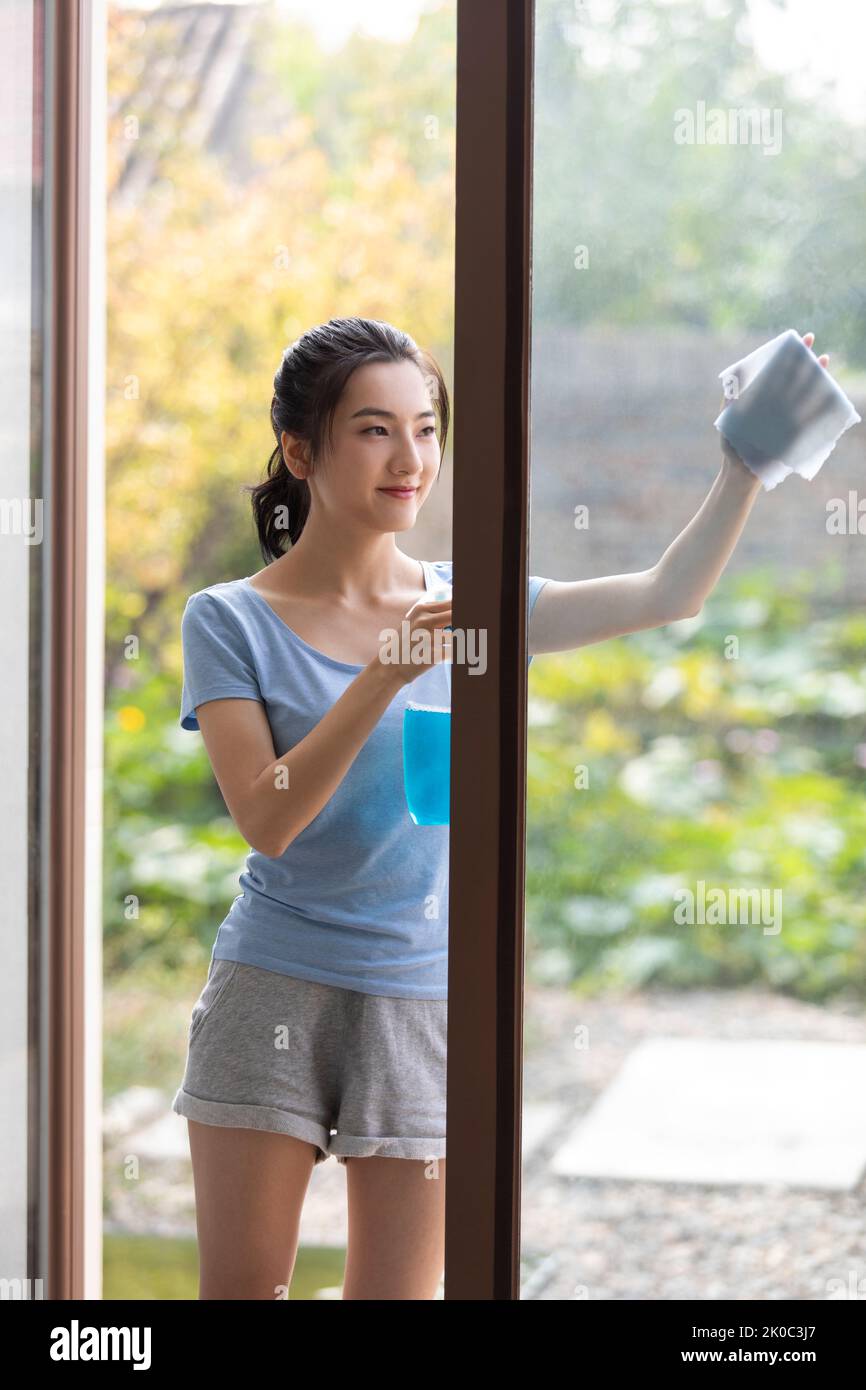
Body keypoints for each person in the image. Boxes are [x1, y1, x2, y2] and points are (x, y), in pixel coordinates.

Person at [171, 317, 829, 1300]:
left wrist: (743, 458)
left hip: (421, 998)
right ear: (300, 450)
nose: (410, 458)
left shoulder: (467, 603)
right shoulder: (229, 619)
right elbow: (266, 818)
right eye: (373, 430)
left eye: (425, 428)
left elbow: (666, 593)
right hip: (273, 982)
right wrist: (380, 677)